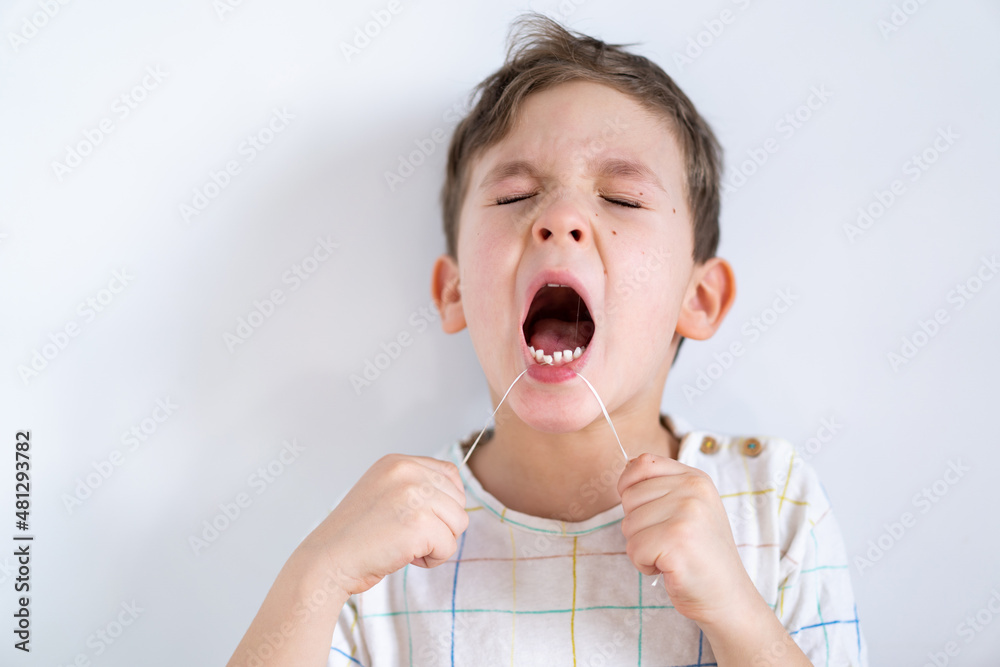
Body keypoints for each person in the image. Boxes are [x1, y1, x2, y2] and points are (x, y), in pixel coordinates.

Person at [227, 12, 869, 666]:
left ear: (697, 299)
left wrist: (735, 609)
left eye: (622, 197)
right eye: (515, 197)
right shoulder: (380, 545)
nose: (559, 219)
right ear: (454, 292)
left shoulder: (772, 502)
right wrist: (315, 579)